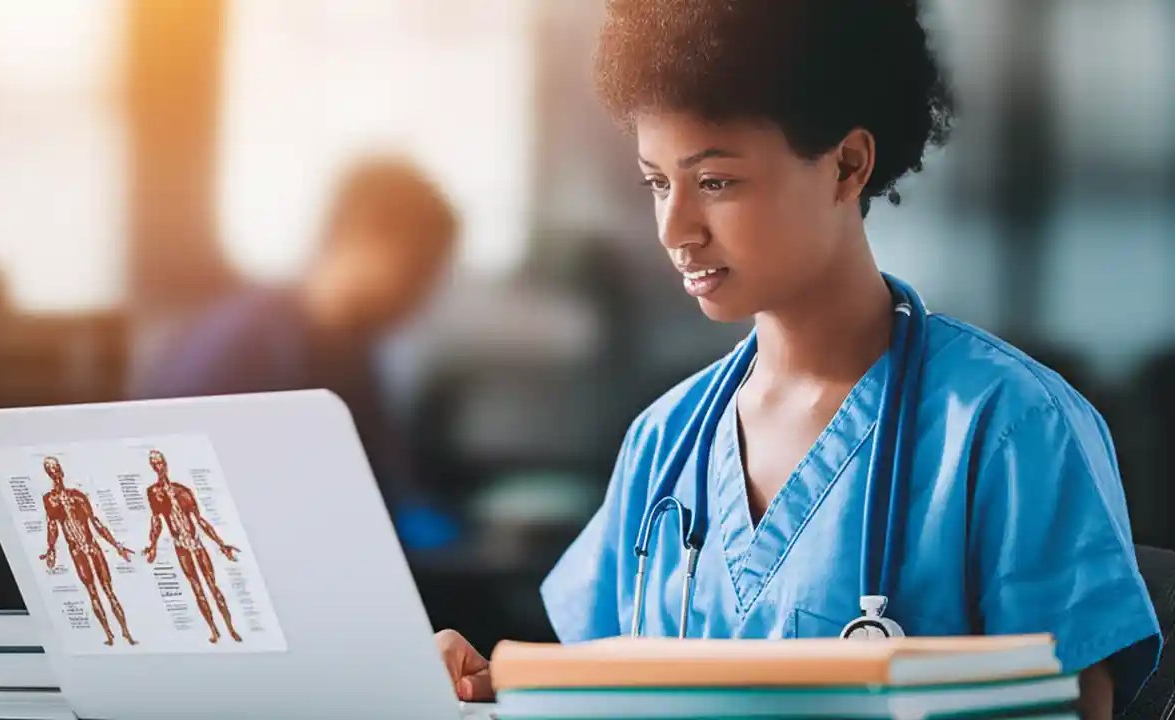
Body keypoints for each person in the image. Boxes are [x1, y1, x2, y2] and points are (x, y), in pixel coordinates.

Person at [435, 1, 1161, 716]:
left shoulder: (1009, 427)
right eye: (658, 182)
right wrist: (486, 684)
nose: (674, 228)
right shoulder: (665, 441)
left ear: (847, 166)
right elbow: (596, 686)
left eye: (715, 182)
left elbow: (1072, 707)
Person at [134, 156, 460, 550]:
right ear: (365, 236)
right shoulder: (243, 346)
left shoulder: (353, 352)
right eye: (419, 270)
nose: (422, 298)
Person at [140, 449, 242, 644]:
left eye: (160, 463)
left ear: (166, 464)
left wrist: (221, 544)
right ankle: (213, 630)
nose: (158, 467)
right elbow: (156, 521)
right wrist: (152, 545)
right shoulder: (153, 493)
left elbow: (200, 520)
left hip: (196, 544)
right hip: (181, 547)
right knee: (197, 589)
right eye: (154, 465)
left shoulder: (183, 491)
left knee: (213, 586)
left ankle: (230, 628)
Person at [38, 457, 137, 647]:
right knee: (92, 592)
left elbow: (95, 522)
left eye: (56, 467)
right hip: (77, 551)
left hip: (92, 547)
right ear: (48, 473)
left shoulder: (78, 495)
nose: (54, 472)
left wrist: (116, 545)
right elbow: (52, 526)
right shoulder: (49, 500)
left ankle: (125, 632)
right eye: (50, 469)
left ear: (61, 470)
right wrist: (51, 549)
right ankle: (109, 634)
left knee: (108, 591)